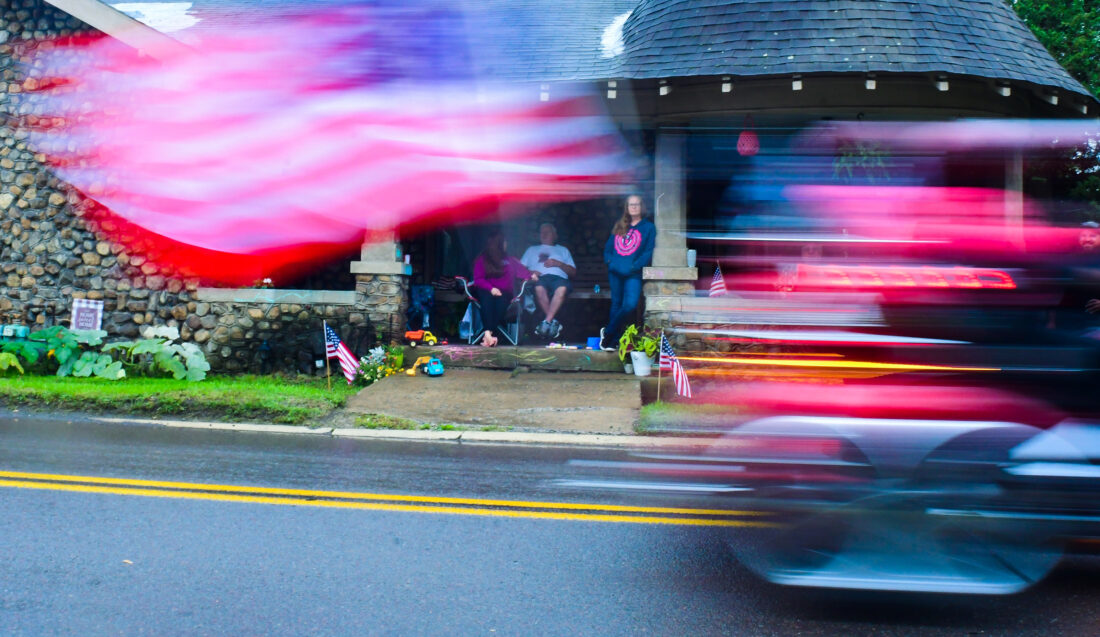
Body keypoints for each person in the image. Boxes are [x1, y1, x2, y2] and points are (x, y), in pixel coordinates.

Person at [599, 194, 656, 351]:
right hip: (615, 272)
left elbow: (648, 251)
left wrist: (635, 266)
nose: (634, 207)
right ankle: (612, 342)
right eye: (631, 204)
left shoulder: (648, 227)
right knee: (616, 304)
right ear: (627, 207)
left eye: (637, 204)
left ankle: (608, 332)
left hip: (632, 273)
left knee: (629, 305)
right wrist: (610, 262)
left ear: (642, 206)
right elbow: (608, 248)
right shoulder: (620, 225)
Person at [472, 230, 538, 347]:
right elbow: (478, 279)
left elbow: (523, 272)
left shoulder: (510, 260)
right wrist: (491, 288)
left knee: (501, 304)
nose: (506, 244)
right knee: (487, 301)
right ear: (498, 243)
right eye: (504, 241)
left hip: (504, 293)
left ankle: (487, 334)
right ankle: (488, 335)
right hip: (486, 290)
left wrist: (531, 276)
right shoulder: (482, 259)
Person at [520, 222, 576, 339]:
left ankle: (547, 322)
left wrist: (558, 264)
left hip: (559, 279)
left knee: (562, 288)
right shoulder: (532, 250)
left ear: (555, 235)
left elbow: (573, 272)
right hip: (540, 279)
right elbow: (519, 270)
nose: (544, 234)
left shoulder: (563, 250)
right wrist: (531, 273)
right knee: (539, 288)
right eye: (542, 232)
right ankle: (552, 322)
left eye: (547, 232)